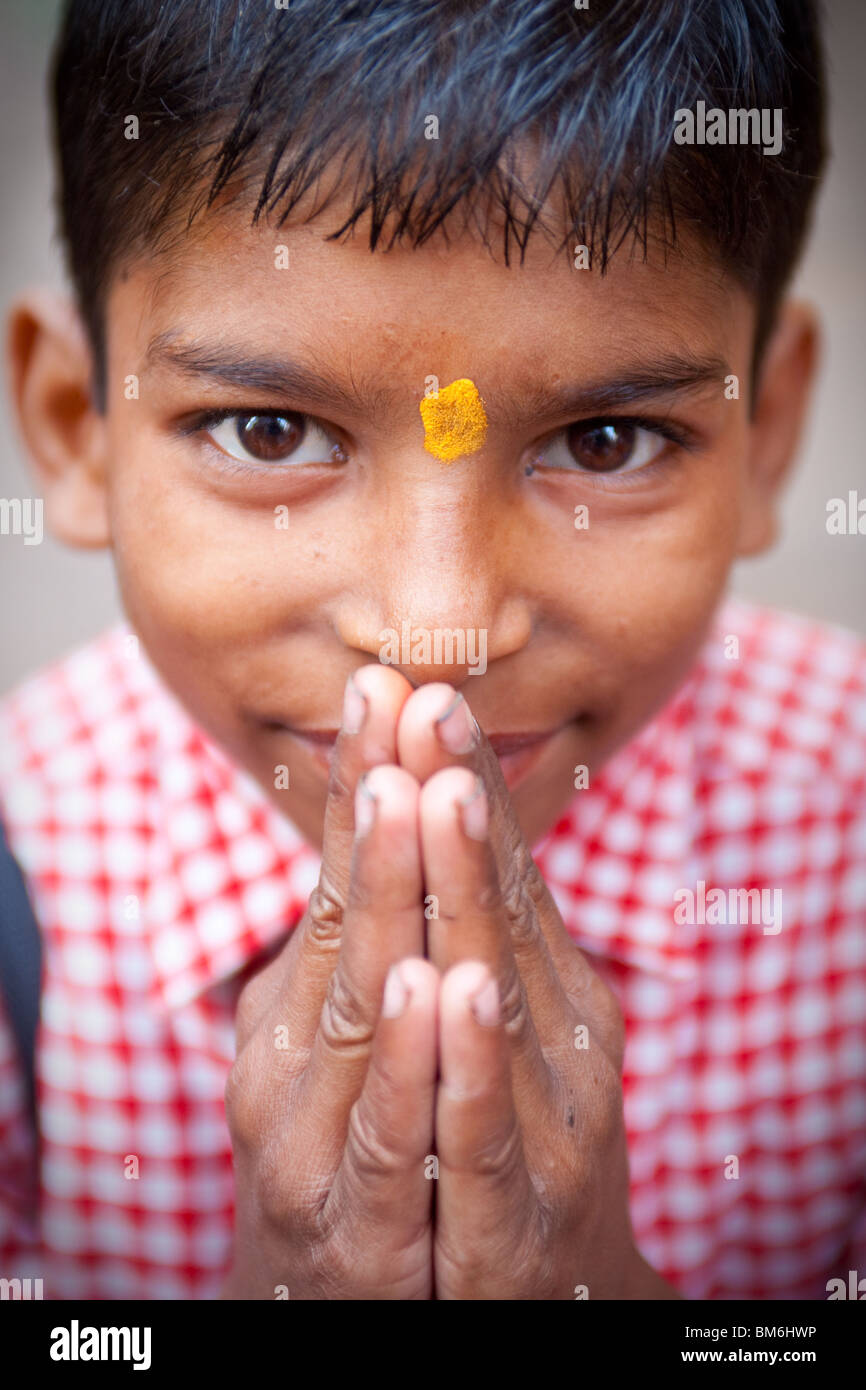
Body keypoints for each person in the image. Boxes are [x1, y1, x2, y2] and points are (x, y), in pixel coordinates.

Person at [1, 0, 863, 1299]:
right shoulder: (23, 889)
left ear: (768, 425)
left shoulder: (841, 837)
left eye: (603, 443)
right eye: (271, 433)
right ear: (75, 426)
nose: (433, 632)